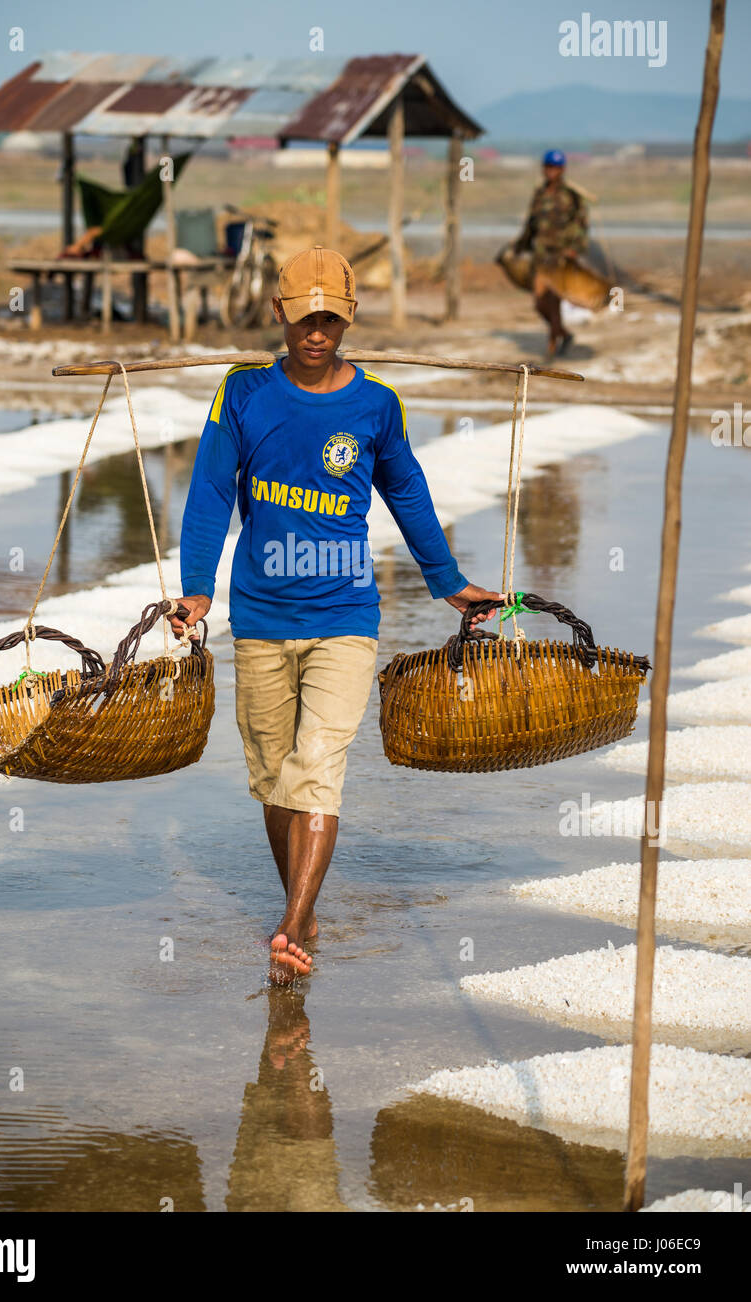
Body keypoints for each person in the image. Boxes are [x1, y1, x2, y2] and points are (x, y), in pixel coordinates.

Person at [170, 246, 503, 984]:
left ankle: (291, 926)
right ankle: (304, 903)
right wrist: (197, 590)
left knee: (315, 772)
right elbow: (209, 493)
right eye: (303, 317)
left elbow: (407, 493)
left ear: (347, 319)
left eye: (330, 318)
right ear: (279, 315)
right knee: (273, 781)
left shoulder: (376, 405)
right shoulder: (243, 392)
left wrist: (447, 581)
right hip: (258, 617)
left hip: (345, 615)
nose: (316, 332)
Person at [515, 148, 589, 358]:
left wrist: (575, 249)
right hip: (540, 256)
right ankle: (563, 334)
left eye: (555, 168)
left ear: (562, 169)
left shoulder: (572, 196)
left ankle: (552, 343)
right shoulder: (539, 194)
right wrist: (520, 246)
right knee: (540, 303)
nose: (551, 171)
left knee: (553, 299)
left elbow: (582, 225)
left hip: (560, 257)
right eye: (548, 167)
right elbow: (531, 224)